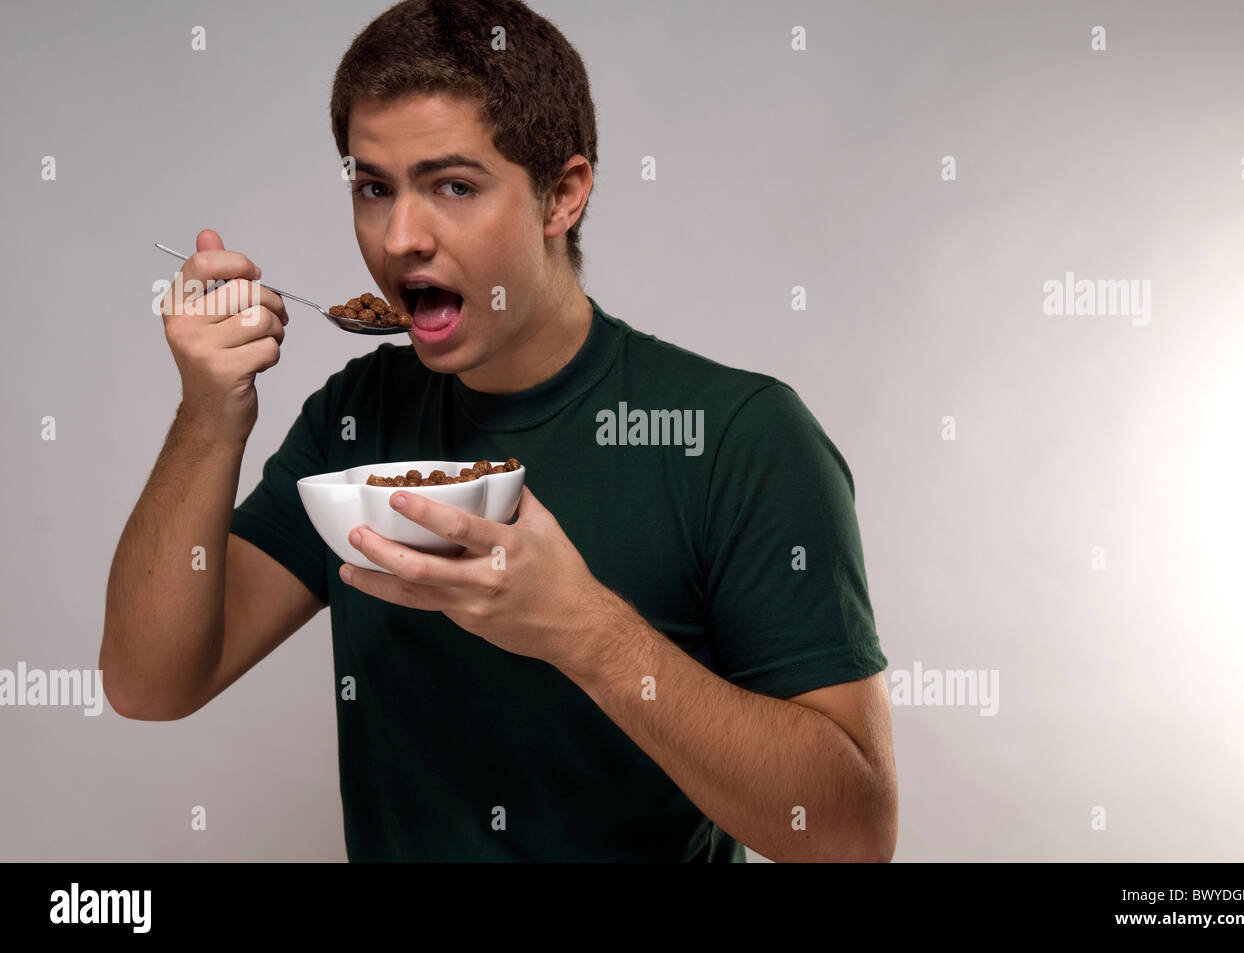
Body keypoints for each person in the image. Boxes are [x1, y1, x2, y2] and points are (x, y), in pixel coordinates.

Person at [101, 0, 897, 863]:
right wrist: (209, 416)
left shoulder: (740, 436)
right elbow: (150, 683)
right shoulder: (356, 414)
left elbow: (852, 832)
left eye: (453, 186)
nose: (401, 238)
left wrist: (584, 630)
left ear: (562, 195)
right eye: (374, 188)